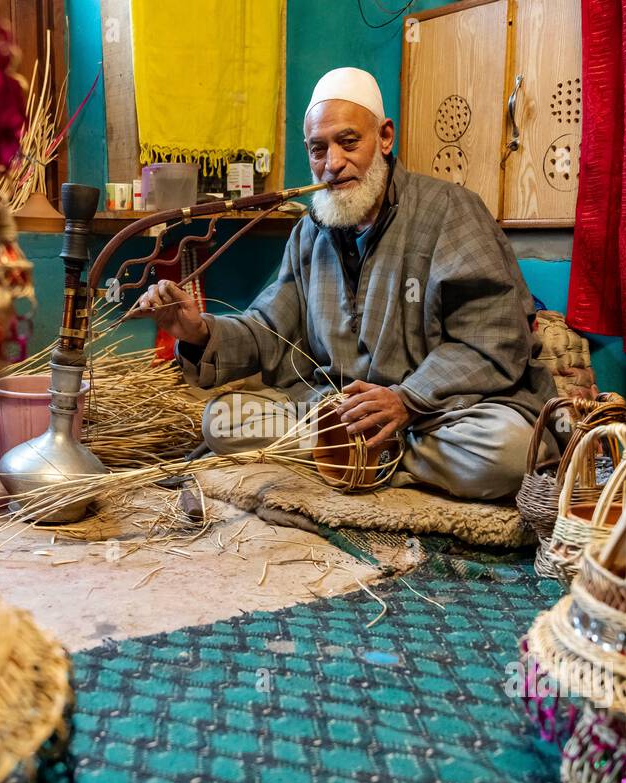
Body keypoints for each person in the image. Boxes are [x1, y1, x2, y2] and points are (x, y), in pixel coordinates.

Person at [133, 66, 556, 499]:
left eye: (348, 142)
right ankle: (360, 452)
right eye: (318, 149)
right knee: (222, 420)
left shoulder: (451, 210)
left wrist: (407, 400)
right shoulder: (309, 231)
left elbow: (491, 339)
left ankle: (371, 455)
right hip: (331, 412)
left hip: (433, 414)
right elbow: (270, 329)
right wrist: (199, 331)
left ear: (385, 137)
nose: (332, 164)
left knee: (510, 450)